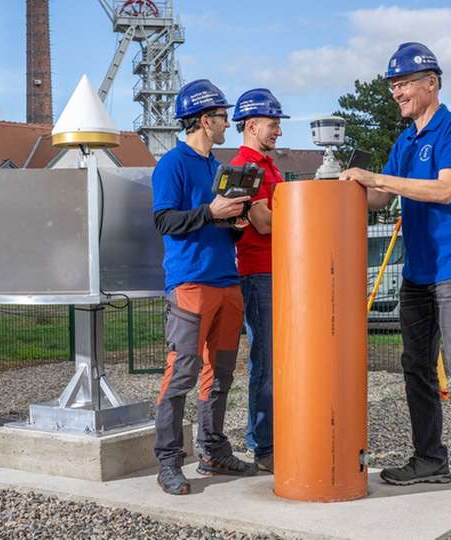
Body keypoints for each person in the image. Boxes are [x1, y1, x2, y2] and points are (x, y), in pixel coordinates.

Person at [340, 42, 451, 498]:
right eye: (393, 86)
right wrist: (345, 184)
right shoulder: (406, 141)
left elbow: (444, 190)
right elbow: (379, 198)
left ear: (431, 83)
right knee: (415, 364)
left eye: (403, 84)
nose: (396, 93)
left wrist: (376, 179)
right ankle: (429, 459)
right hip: (419, 270)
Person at [151, 79, 258, 495]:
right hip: (190, 283)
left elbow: (217, 226)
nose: (227, 123)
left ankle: (212, 451)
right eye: (220, 116)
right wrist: (210, 212)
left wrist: (234, 223)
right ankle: (169, 461)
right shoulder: (172, 165)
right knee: (182, 372)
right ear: (201, 120)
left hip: (226, 281)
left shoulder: (218, 168)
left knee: (221, 374)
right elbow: (164, 221)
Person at [227, 88, 290, 473]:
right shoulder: (244, 168)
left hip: (280, 270)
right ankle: (263, 446)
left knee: (282, 359)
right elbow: (264, 222)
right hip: (259, 273)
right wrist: (305, 212)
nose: (278, 132)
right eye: (273, 124)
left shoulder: (270, 167)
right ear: (251, 126)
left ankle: (279, 437)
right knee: (265, 361)